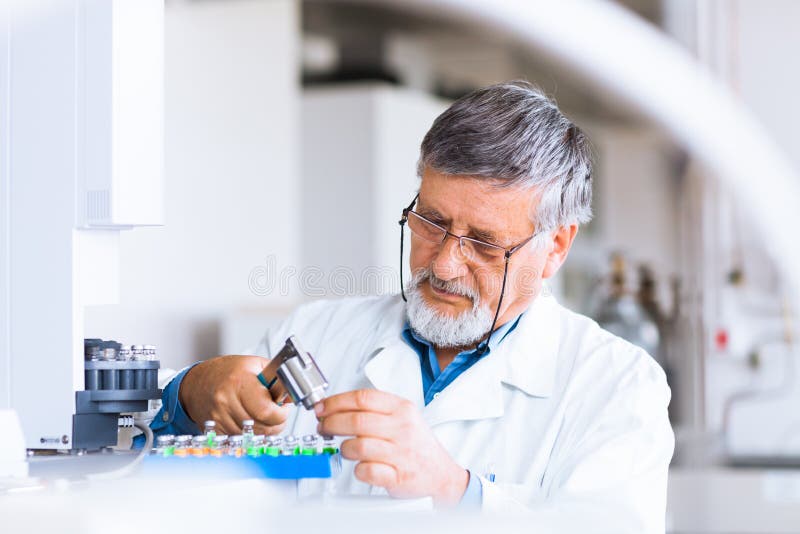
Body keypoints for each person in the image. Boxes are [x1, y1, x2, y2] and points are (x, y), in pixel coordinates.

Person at [146, 80, 673, 531]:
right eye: (431, 223)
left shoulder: (616, 387)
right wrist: (192, 397)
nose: (443, 265)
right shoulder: (317, 332)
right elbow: (182, 492)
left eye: (485, 242)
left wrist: (453, 489)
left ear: (556, 246)